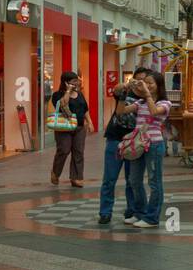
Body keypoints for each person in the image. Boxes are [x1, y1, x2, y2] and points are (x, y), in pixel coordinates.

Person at [126, 70, 171, 228]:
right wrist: (122, 93)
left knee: (154, 181)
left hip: (154, 144)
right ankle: (139, 212)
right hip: (138, 144)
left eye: (151, 83)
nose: (148, 86)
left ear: (159, 86)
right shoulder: (141, 103)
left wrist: (146, 94)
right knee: (134, 180)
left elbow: (154, 112)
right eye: (147, 83)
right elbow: (121, 111)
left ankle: (152, 217)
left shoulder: (164, 103)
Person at [98, 78, 139, 226]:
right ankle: (105, 212)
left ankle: (132, 211)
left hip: (134, 142)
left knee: (132, 180)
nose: (140, 83)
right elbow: (116, 89)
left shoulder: (147, 98)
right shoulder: (124, 92)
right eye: (138, 79)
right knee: (109, 179)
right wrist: (128, 85)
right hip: (115, 139)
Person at [49, 71, 94, 187]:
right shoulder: (57, 95)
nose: (77, 83)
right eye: (74, 81)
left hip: (79, 127)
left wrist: (90, 122)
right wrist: (68, 91)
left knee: (78, 151)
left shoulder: (80, 94)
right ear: (66, 82)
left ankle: (76, 177)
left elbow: (85, 109)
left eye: (77, 80)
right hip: (64, 127)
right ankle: (55, 172)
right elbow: (63, 104)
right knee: (64, 150)